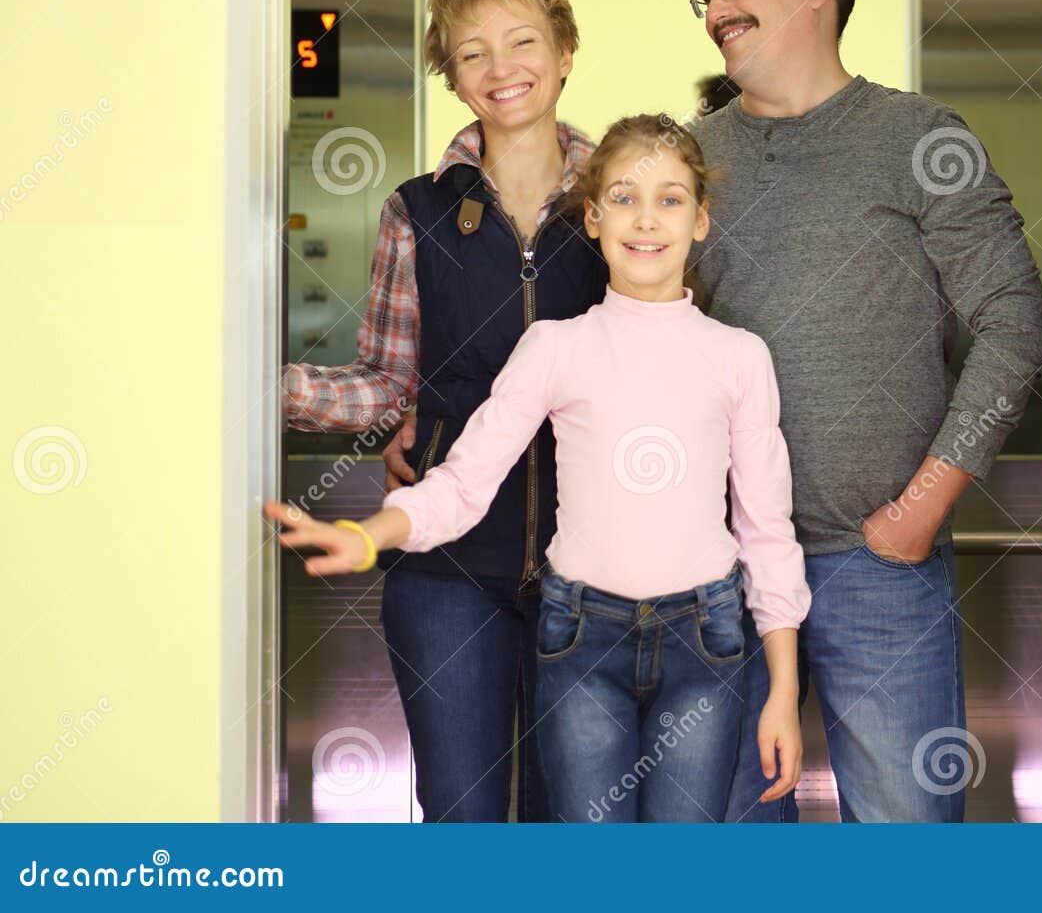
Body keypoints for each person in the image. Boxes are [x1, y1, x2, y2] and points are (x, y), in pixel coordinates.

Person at [269, 115, 808, 822]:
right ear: (591, 216)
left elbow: (768, 532)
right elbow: (465, 482)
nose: (646, 220)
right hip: (581, 643)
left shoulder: (740, 357)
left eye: (670, 199)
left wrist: (782, 691)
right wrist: (370, 535)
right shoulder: (556, 347)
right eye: (622, 197)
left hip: (705, 644)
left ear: (701, 219)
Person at [687, 0, 1042, 822]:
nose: (719, 7)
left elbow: (1014, 321)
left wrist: (925, 504)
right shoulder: (688, 162)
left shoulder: (920, 140)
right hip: (716, 572)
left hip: (878, 562)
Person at [281, 0, 606, 822]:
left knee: (572, 818)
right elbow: (389, 386)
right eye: (473, 53)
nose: (502, 69)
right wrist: (256, 387)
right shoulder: (416, 211)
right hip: (449, 569)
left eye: (523, 41)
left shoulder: (624, 199)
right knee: (460, 813)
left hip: (598, 574)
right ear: (453, 77)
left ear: (566, 50)